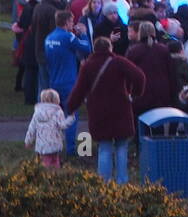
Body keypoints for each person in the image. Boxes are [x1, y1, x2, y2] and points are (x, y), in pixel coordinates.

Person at [67, 36, 146, 183]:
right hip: (121, 110)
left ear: (95, 49)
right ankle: (122, 181)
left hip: (99, 112)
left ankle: (104, 182)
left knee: (104, 148)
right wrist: (134, 94)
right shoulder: (119, 62)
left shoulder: (88, 66)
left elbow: (79, 90)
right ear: (110, 48)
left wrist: (71, 107)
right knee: (122, 147)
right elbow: (140, 77)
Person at [44, 10, 92, 156]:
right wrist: (83, 33)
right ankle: (71, 150)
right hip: (68, 82)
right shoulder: (68, 36)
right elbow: (86, 48)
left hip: (54, 81)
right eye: (72, 21)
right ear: (66, 23)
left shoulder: (49, 37)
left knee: (55, 116)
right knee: (71, 115)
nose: (73, 24)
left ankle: (52, 147)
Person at [25, 88, 76, 169]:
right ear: (57, 99)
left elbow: (32, 128)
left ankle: (46, 177)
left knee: (45, 163)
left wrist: (28, 141)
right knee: (55, 161)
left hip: (42, 145)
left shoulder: (37, 112)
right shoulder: (58, 112)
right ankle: (56, 176)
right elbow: (63, 125)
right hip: (55, 144)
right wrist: (71, 117)